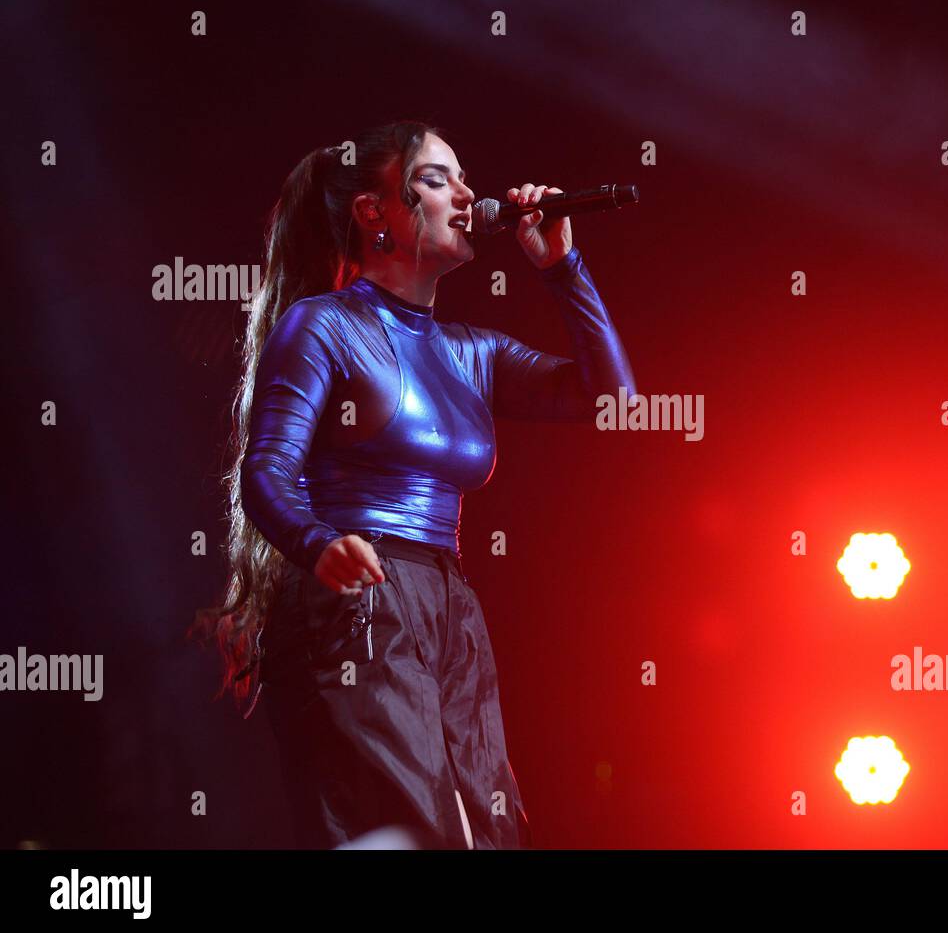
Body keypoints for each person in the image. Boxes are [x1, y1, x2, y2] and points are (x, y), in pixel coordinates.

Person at [191, 120, 636, 849]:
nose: (467, 195)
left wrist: (562, 268)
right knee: (411, 828)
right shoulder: (323, 327)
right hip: (362, 597)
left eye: (465, 178)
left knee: (486, 830)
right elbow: (265, 472)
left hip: (449, 604)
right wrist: (318, 543)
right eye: (437, 178)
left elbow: (613, 401)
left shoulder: (472, 352)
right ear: (376, 213)